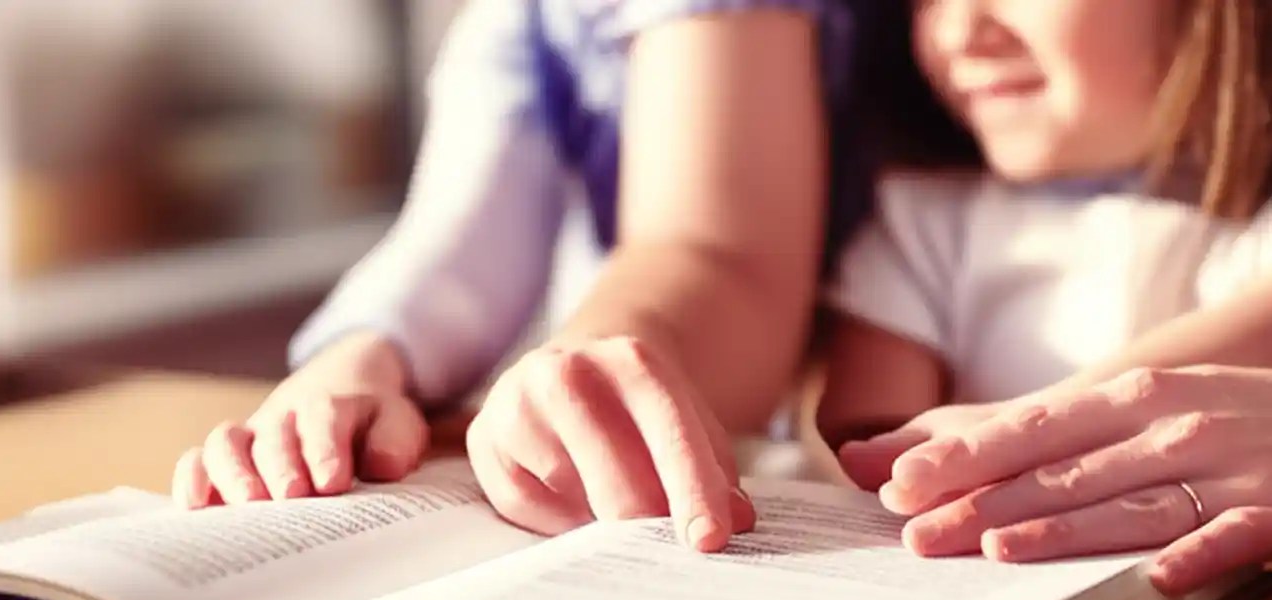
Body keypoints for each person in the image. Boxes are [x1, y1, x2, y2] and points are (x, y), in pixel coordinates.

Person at [172, 0, 877, 551]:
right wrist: (361, 360)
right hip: (589, 439)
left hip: (714, 445)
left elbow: (721, 253)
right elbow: (469, 210)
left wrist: (584, 367)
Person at [816, 0, 1272, 591]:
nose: (962, 33)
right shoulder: (924, 225)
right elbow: (873, 457)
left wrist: (1018, 443)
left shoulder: (1257, 229)